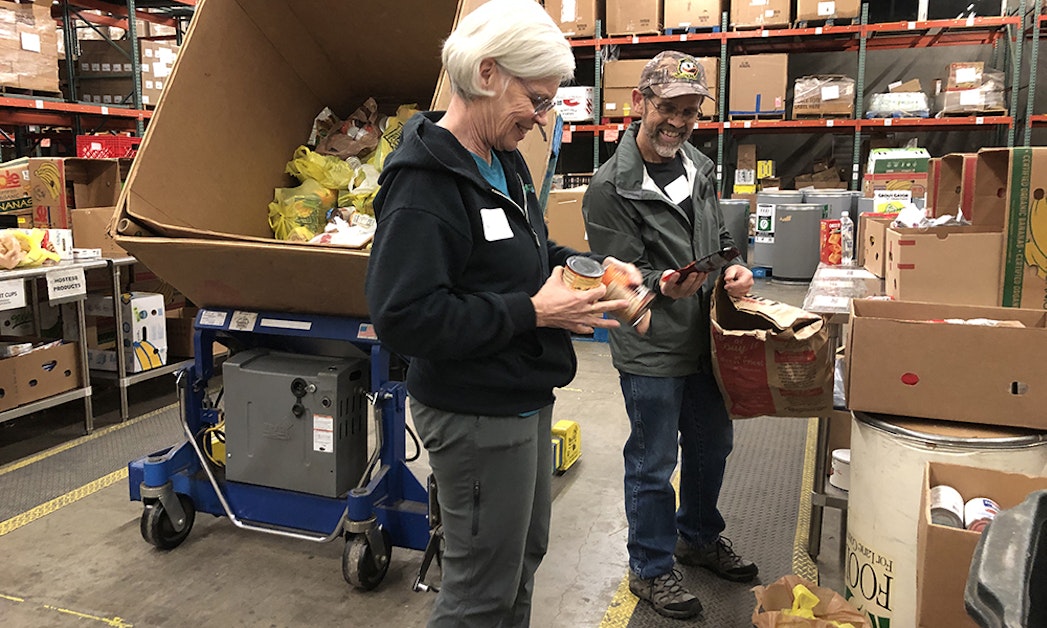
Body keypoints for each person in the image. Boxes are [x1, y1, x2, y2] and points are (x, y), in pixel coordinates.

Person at [364, 1, 644, 626]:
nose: (543, 119)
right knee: (480, 594)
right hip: (473, 411)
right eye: (537, 100)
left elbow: (530, 251)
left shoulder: (501, 159)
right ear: (487, 73)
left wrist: (594, 267)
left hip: (521, 398)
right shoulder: (424, 186)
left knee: (520, 566)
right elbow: (403, 317)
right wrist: (531, 312)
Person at [582, 51, 758, 620]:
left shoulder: (698, 166)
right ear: (639, 102)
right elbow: (618, 273)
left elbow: (719, 237)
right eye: (668, 108)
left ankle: (699, 538)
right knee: (653, 461)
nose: (677, 122)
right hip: (652, 345)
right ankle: (651, 568)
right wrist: (662, 284)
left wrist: (734, 267)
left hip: (707, 339)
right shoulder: (610, 187)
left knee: (712, 445)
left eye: (689, 112)